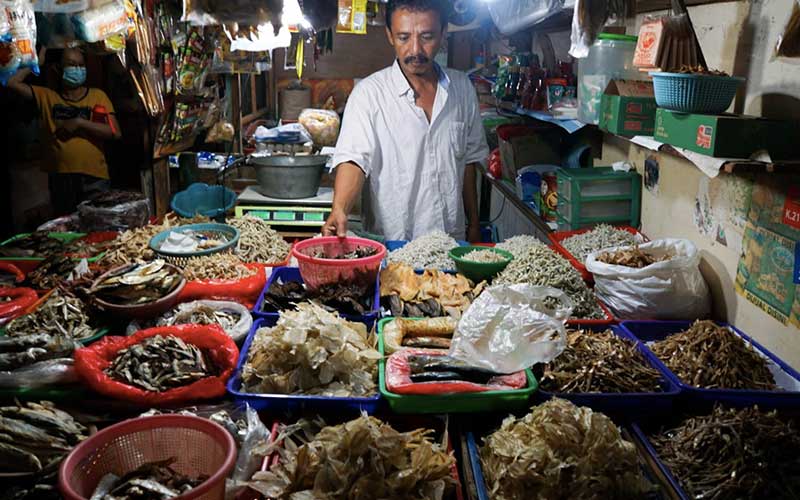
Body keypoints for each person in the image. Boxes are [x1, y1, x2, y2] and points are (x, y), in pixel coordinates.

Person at [323, 0, 489, 242]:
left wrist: (473, 226)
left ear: (443, 33)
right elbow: (353, 159)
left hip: (451, 243)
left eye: (427, 37)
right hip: (394, 246)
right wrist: (339, 209)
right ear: (389, 35)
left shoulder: (462, 89)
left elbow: (469, 162)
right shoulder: (369, 95)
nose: (415, 50)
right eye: (403, 37)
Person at [7, 47, 122, 215]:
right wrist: (35, 64)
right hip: (61, 180)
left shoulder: (98, 96)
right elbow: (11, 83)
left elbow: (115, 132)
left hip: (94, 178)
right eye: (71, 64)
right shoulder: (46, 96)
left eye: (81, 65)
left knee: (98, 226)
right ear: (58, 69)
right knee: (68, 230)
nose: (77, 69)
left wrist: (80, 123)